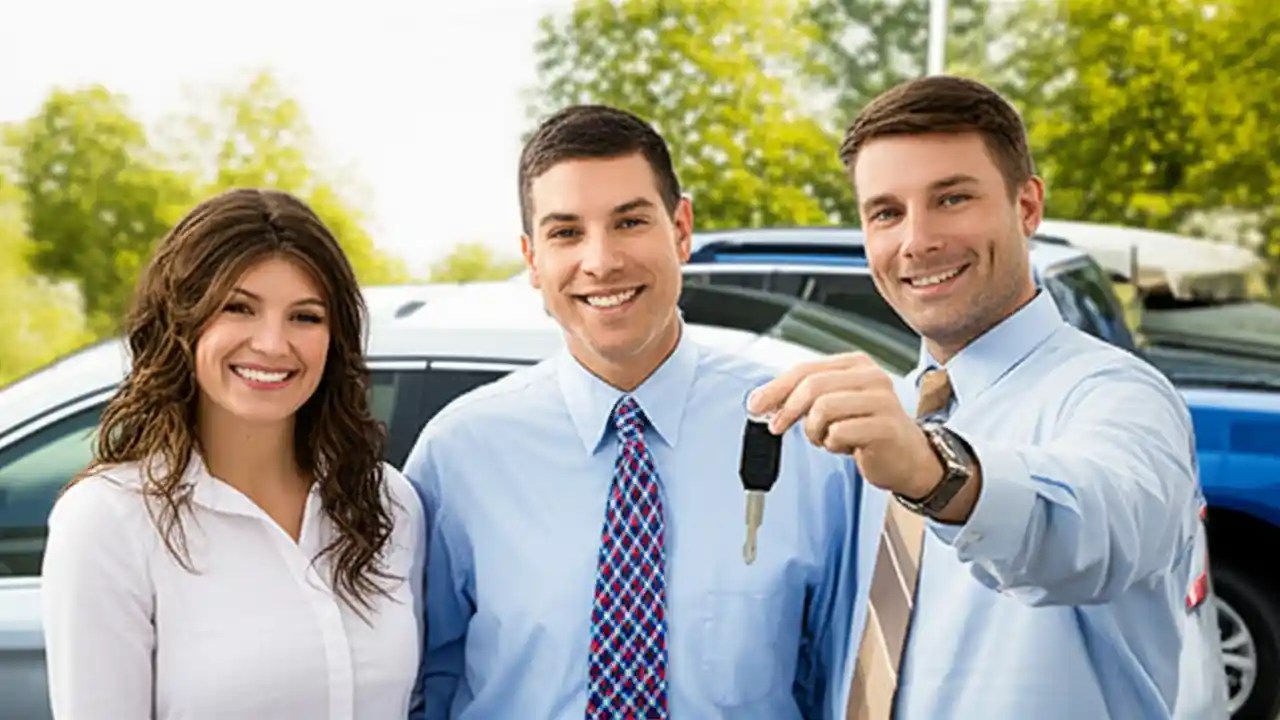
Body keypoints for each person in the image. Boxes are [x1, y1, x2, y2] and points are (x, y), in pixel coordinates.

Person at [748, 75, 1205, 718]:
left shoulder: (1117, 395)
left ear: (1027, 207)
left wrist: (937, 475)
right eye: (886, 212)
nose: (917, 240)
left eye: (952, 198)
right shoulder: (882, 417)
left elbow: (1098, 529)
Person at [403, 105, 863, 719]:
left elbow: (840, 681)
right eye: (566, 233)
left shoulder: (801, 435)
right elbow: (422, 680)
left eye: (629, 222)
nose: (601, 260)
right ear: (532, 259)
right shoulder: (458, 453)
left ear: (681, 229)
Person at [40, 188, 425, 719]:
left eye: (305, 317)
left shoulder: (386, 501)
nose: (272, 343)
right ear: (183, 322)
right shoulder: (108, 520)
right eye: (238, 308)